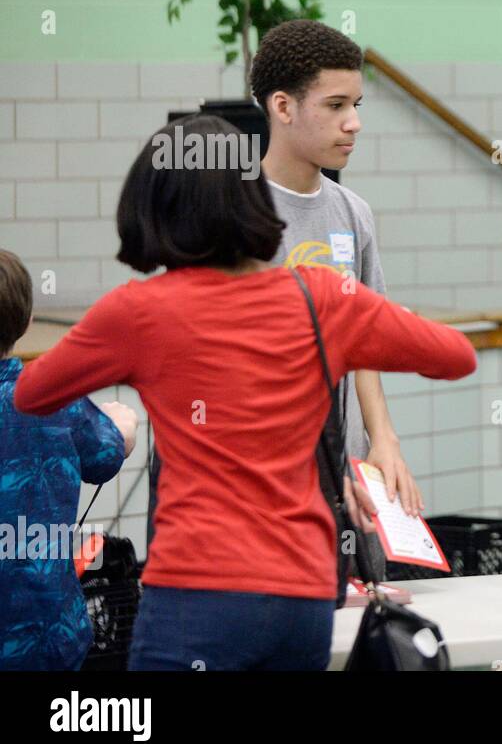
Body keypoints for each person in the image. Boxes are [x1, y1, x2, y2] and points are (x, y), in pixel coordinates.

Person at [14, 115, 477, 671]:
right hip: (301, 596)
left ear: (153, 207)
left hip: (194, 594)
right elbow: (455, 355)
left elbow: (33, 394)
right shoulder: (323, 297)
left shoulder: (137, 313)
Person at [250, 19, 421, 519]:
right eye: (335, 105)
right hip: (262, 478)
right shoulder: (237, 216)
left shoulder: (354, 213)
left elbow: (362, 341)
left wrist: (382, 439)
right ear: (283, 107)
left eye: (356, 105)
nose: (354, 122)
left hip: (340, 472)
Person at [0, 249, 138, 670]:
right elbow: (108, 454)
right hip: (47, 632)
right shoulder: (52, 397)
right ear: (25, 322)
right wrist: (121, 421)